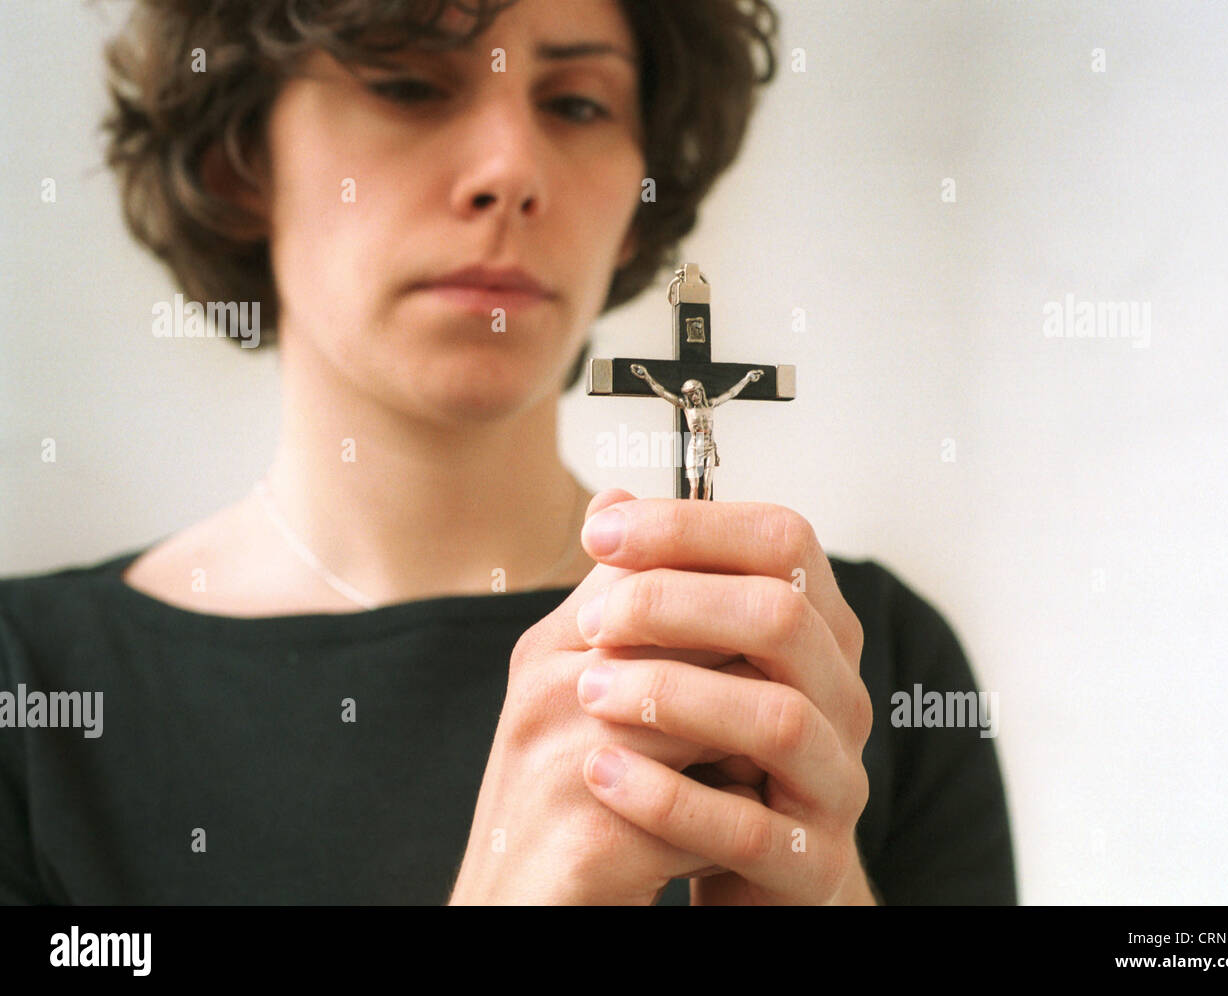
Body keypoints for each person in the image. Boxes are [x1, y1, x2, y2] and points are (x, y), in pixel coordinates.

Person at [0, 0, 1015, 904]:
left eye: (576, 105)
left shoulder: (846, 667)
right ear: (241, 161)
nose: (511, 171)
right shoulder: (31, 698)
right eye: (408, 84)